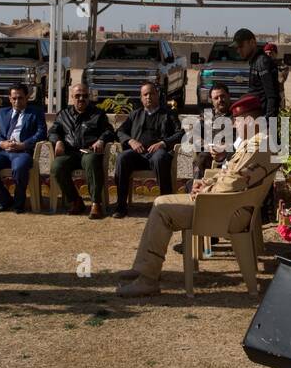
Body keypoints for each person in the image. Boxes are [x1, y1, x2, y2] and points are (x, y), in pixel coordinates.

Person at [117, 93, 273, 297]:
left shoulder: (258, 144)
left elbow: (235, 182)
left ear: (250, 120)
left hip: (224, 210)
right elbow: (230, 174)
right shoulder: (254, 141)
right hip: (222, 203)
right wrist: (206, 182)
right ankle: (143, 267)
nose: (234, 126)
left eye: (237, 121)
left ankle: (148, 279)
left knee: (162, 209)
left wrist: (205, 191)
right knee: (159, 202)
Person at [112, 81, 183, 219]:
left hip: (158, 154)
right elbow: (120, 132)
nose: (148, 97)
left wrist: (163, 143)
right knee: (122, 157)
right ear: (141, 98)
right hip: (138, 155)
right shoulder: (135, 114)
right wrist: (131, 141)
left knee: (160, 158)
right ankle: (121, 206)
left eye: (151, 94)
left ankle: (165, 205)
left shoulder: (168, 114)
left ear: (158, 95)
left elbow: (180, 133)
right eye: (145, 94)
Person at [49, 82, 114, 218]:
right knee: (57, 166)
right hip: (70, 153)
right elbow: (53, 131)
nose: (81, 99)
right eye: (77, 96)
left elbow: (109, 131)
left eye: (84, 96)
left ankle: (96, 203)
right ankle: (75, 200)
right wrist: (58, 141)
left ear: (89, 97)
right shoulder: (63, 114)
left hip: (89, 152)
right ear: (72, 97)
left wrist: (101, 140)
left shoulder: (98, 114)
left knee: (91, 160)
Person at [0, 84, 47, 213]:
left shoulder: (35, 113)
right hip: (3, 152)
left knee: (19, 167)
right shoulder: (2, 112)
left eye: (20, 98)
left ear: (27, 97)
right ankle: (5, 200)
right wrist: (1, 143)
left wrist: (23, 145)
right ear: (10, 98)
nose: (17, 101)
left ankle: (19, 203)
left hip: (22, 152)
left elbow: (41, 133)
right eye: (14, 98)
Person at [233, 27, 281, 121]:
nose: (238, 50)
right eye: (236, 48)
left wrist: (268, 124)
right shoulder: (255, 62)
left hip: (264, 121)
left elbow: (272, 96)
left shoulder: (262, 62)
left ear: (252, 42)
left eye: (241, 46)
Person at [192, 81, 234, 179]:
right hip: (209, 152)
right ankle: (187, 187)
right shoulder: (207, 116)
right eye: (216, 98)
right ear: (211, 101)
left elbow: (242, 139)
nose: (220, 100)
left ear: (229, 96)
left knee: (202, 158)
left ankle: (199, 190)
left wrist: (226, 148)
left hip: (231, 154)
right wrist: (208, 146)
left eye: (223, 96)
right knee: (185, 153)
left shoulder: (236, 115)